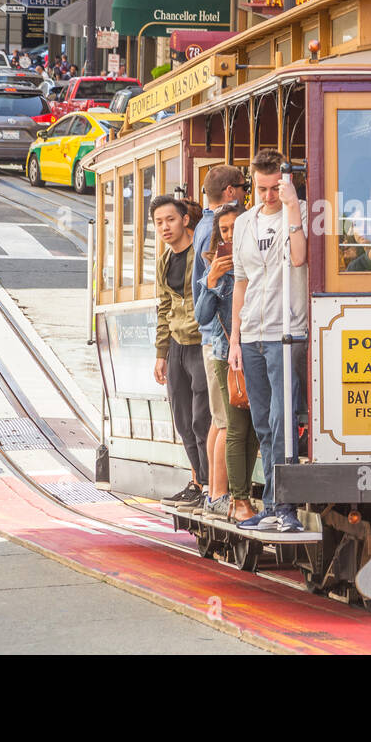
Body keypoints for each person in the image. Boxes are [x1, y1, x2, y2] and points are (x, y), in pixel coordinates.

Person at [228, 149, 308, 533]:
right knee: (262, 422)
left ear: (286, 181)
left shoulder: (303, 212)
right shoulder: (244, 223)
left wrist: (292, 208)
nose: (268, 195)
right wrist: (235, 340)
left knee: (282, 419)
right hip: (254, 334)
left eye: (274, 187)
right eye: (261, 188)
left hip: (286, 332)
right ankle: (274, 503)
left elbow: (298, 259)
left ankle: (284, 505)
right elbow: (240, 282)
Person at [194, 201, 260, 523]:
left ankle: (242, 494)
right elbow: (202, 317)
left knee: (254, 430)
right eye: (224, 230)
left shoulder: (255, 259)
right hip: (226, 354)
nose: (231, 234)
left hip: (258, 349)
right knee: (235, 425)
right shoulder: (215, 268)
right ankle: (239, 499)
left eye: (236, 228)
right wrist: (211, 284)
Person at [150, 195, 211, 508]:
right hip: (176, 346)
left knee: (203, 420)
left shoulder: (200, 253)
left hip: (202, 343)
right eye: (159, 222)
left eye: (170, 220)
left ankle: (211, 485)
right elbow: (164, 307)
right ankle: (198, 482)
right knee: (183, 420)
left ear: (185, 220)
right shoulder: (163, 260)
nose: (165, 227)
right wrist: (161, 353)